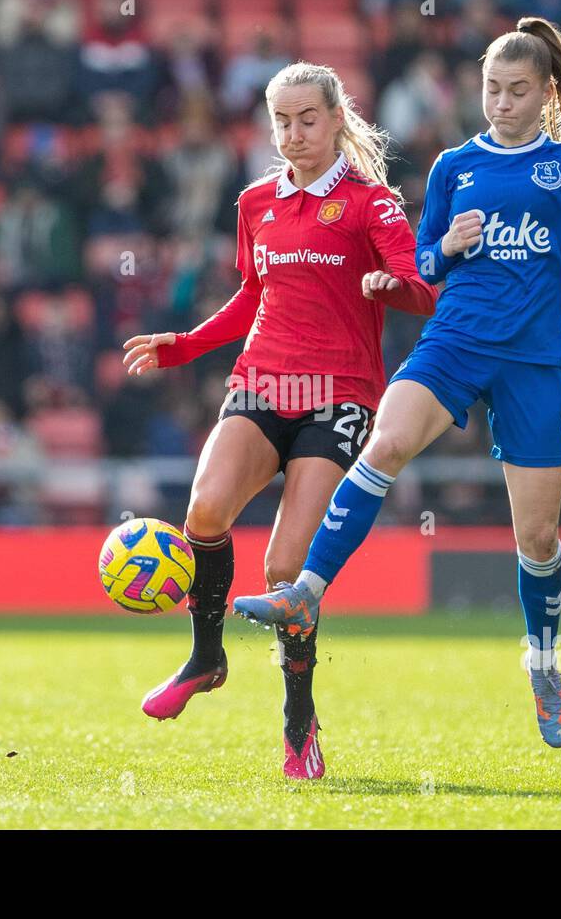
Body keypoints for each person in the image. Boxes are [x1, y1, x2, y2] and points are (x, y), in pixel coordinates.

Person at [234, 17, 561, 750]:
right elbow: (422, 270)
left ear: (543, 95)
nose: (500, 103)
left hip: (532, 362)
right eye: (491, 90)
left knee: (537, 537)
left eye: (516, 91)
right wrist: (444, 246)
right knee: (384, 443)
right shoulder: (453, 166)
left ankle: (542, 665)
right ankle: (305, 597)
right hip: (454, 344)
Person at [121, 62, 438, 778]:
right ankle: (206, 657)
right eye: (282, 123)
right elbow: (251, 297)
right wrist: (185, 345)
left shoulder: (372, 204)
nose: (294, 135)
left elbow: (424, 292)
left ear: (335, 120)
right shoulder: (257, 202)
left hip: (341, 396)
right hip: (261, 381)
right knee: (203, 511)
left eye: (308, 120)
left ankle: (299, 717)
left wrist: (395, 287)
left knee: (286, 569)